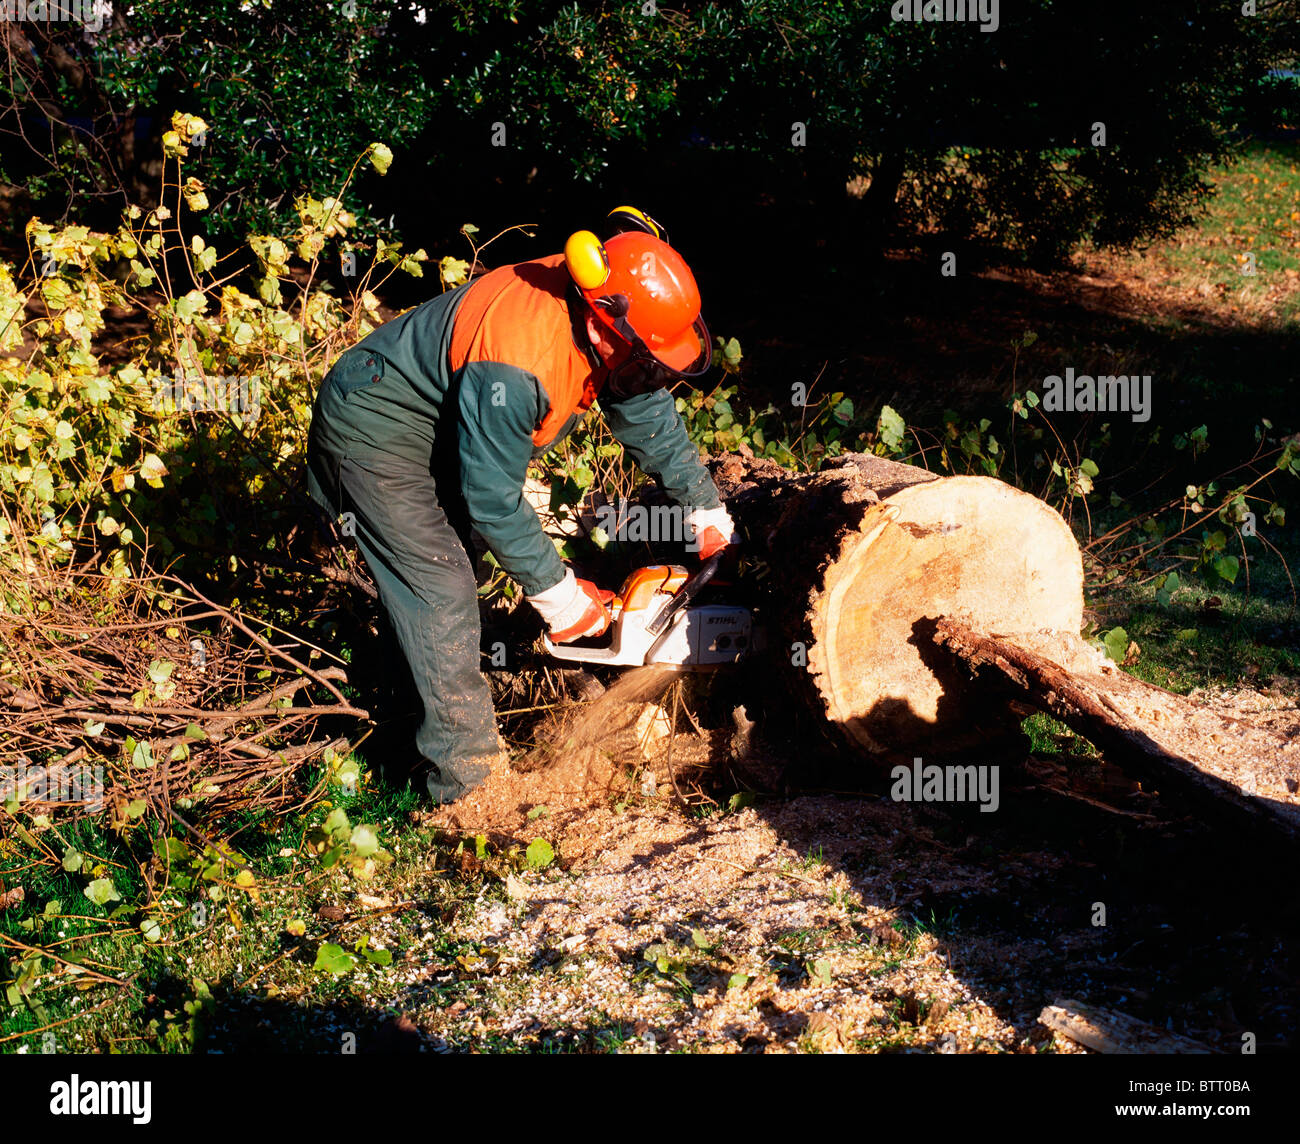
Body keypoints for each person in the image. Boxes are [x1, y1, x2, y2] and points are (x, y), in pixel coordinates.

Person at [306, 207, 737, 803]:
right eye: (642, 359)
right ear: (599, 329)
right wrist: (561, 599)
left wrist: (706, 514)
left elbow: (643, 407)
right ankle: (469, 793)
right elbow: (493, 499)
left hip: (441, 427)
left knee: (454, 572)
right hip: (373, 429)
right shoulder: (518, 359)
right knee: (440, 585)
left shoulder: (609, 300)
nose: (647, 372)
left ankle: (404, 724)